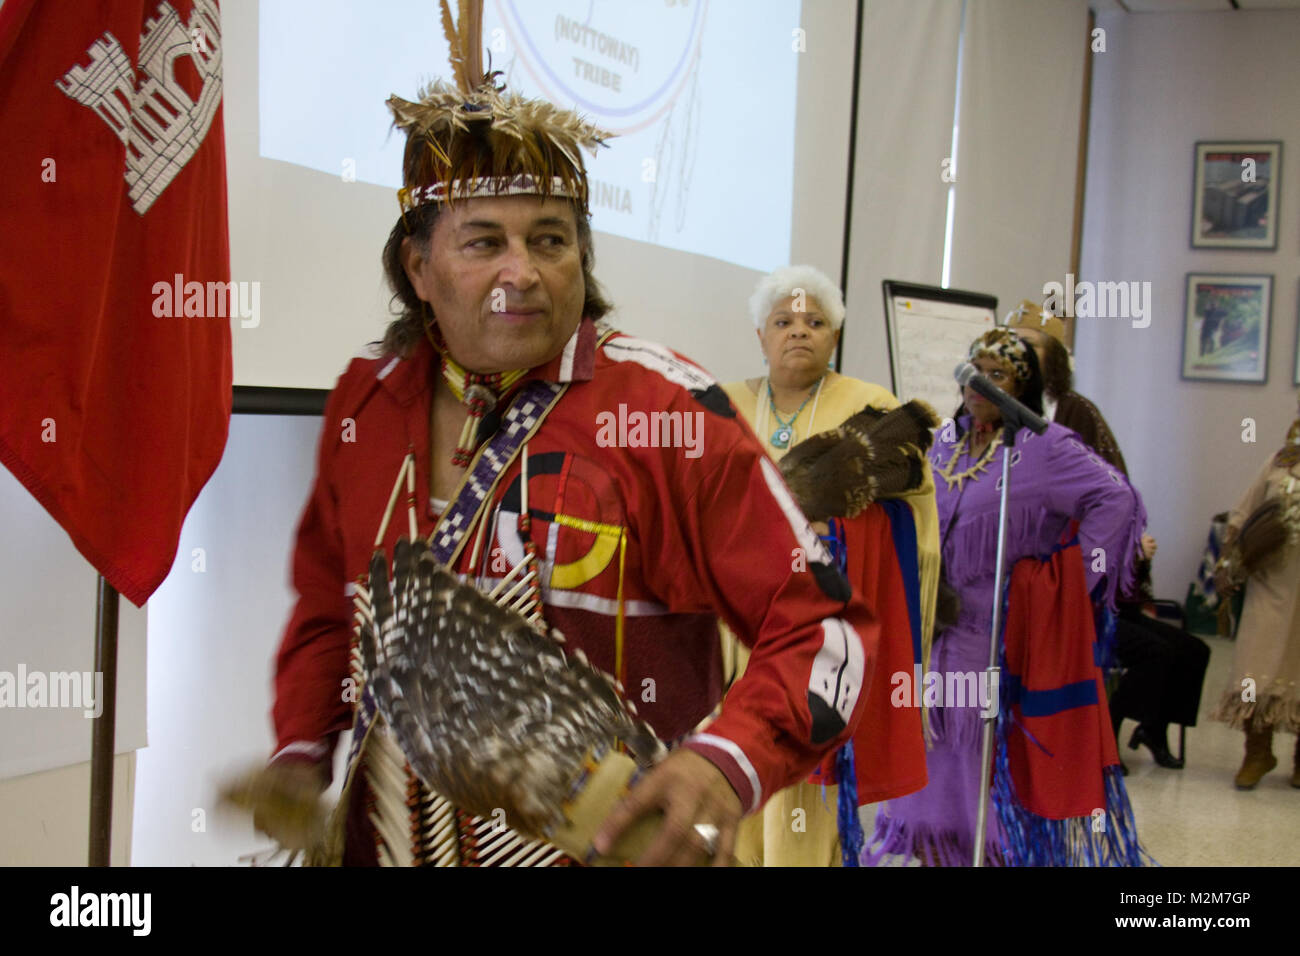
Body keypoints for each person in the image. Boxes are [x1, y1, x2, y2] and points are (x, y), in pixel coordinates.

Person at [257, 9, 880, 867]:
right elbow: (330, 609)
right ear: (417, 269)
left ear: (581, 260)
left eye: (549, 241)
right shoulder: (368, 405)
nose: (523, 271)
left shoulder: (668, 414)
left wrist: (725, 763)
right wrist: (300, 750)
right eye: (484, 241)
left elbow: (823, 627)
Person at [866, 328, 1150, 866]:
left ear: (1022, 384)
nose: (981, 383)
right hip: (929, 632)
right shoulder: (942, 441)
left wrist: (1062, 585)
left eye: (997, 374)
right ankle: (926, 852)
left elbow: (1118, 499)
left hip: (992, 634)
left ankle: (993, 855)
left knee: (980, 761)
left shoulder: (1045, 448)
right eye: (975, 369)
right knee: (926, 751)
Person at [719, 266, 940, 866]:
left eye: (815, 322)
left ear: (835, 336)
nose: (799, 332)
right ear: (760, 334)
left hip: (816, 633)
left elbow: (917, 515)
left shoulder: (871, 405)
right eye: (784, 322)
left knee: (802, 791)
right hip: (729, 631)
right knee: (728, 780)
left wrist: (838, 527)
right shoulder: (724, 405)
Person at [1004, 301, 1209, 772]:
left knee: (1185, 650)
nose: (1020, 353)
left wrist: (1122, 550)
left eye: (1031, 345)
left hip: (1072, 572)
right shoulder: (987, 411)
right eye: (1012, 343)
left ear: (1053, 356)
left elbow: (1115, 493)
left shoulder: (1075, 412)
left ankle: (1135, 731)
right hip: (1010, 569)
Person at [1212, 402, 1300, 789]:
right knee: (1255, 661)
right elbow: (1244, 511)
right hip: (1272, 581)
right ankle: (1257, 751)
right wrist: (1233, 557)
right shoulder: (1282, 460)